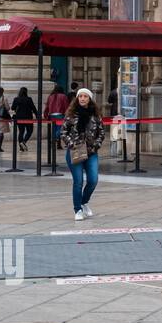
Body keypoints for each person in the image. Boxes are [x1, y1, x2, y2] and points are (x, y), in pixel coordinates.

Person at [61, 88, 104, 221]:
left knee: (93, 180)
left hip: (91, 152)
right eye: (80, 96)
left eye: (85, 96)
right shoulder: (71, 115)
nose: (82, 99)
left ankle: (84, 202)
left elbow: (101, 133)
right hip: (75, 152)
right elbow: (63, 132)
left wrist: (96, 145)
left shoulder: (95, 116)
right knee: (78, 182)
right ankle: (77, 210)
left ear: (90, 99)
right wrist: (71, 143)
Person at [12, 86, 37, 152]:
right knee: (30, 131)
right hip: (28, 117)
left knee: (21, 132)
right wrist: (37, 116)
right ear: (26, 92)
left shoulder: (16, 99)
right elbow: (33, 108)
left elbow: (12, 108)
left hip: (19, 117)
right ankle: (24, 142)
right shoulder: (29, 99)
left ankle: (21, 148)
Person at [45, 84, 69, 149]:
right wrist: (68, 115)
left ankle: (58, 144)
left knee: (54, 129)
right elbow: (66, 106)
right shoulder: (63, 96)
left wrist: (45, 114)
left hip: (51, 115)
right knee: (60, 129)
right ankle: (54, 138)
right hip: (60, 114)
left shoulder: (50, 96)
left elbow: (47, 106)